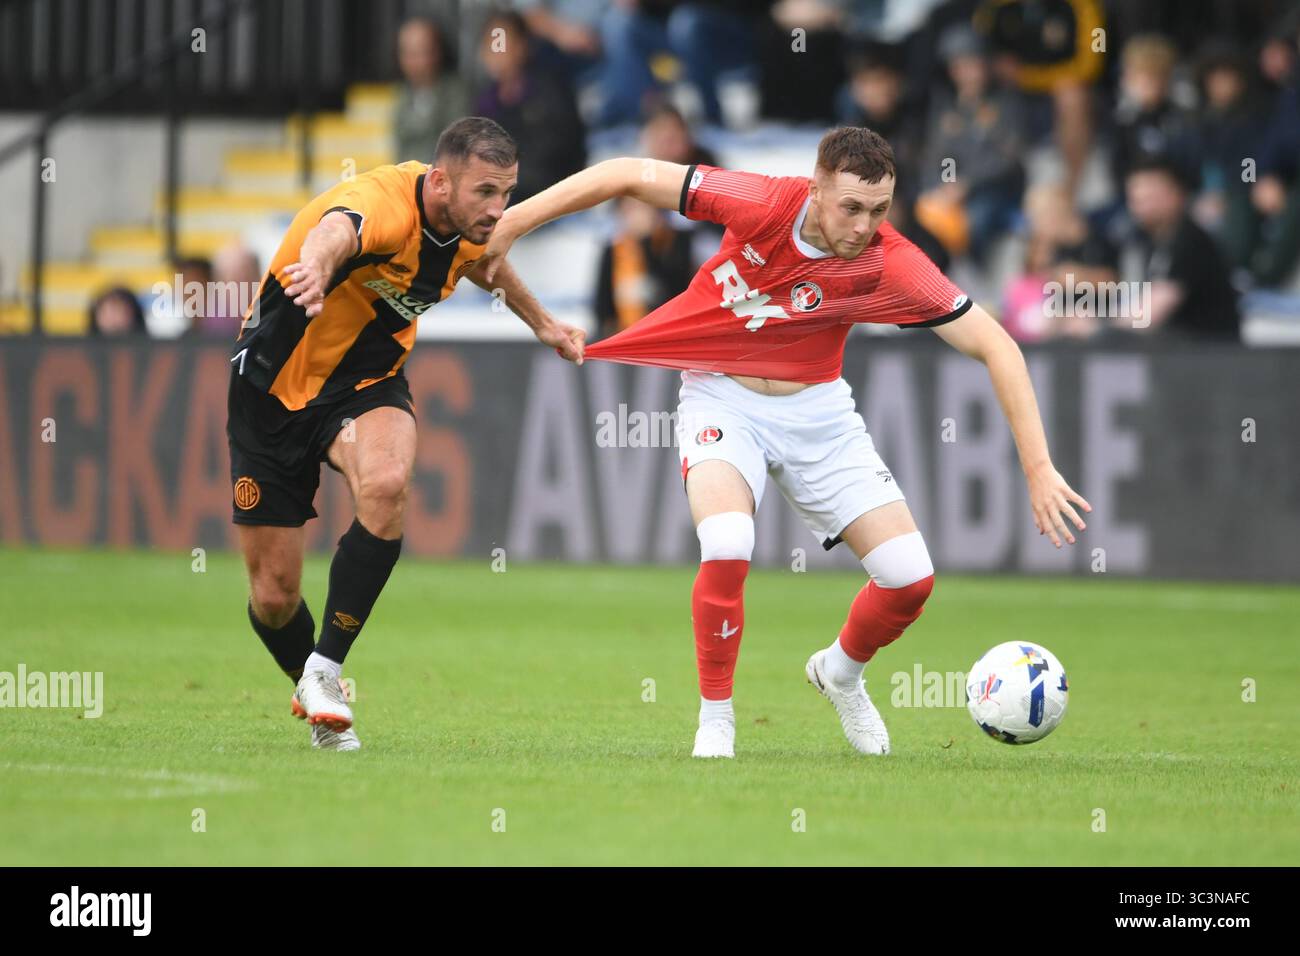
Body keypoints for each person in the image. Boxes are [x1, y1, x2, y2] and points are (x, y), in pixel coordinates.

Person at [480, 126, 1090, 759]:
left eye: (879, 209)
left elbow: (998, 345)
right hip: (722, 396)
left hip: (818, 412)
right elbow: (624, 173)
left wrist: (1039, 469)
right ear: (816, 187)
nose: (863, 225)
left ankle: (840, 673)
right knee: (726, 540)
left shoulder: (893, 261)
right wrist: (512, 224)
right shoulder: (763, 203)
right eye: (851, 206)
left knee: (909, 579)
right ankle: (716, 719)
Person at [227, 117, 585, 751]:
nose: (498, 208)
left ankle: (326, 669)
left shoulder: (468, 225)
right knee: (275, 597)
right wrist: (313, 267)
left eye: (507, 193)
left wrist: (545, 325)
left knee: (389, 483)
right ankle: (311, 691)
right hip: (273, 389)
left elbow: (488, 265)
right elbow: (336, 230)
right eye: (486, 193)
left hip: (366, 380)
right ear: (441, 182)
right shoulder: (383, 206)